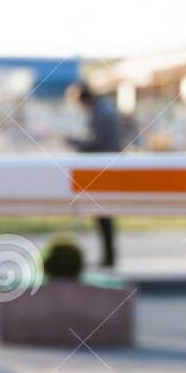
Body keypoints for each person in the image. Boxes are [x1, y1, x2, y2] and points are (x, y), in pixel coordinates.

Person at [71, 85, 124, 268]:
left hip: (104, 166)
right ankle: (108, 257)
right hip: (106, 164)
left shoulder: (102, 113)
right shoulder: (104, 110)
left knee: (103, 213)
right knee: (103, 213)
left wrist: (75, 142)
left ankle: (109, 258)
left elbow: (97, 143)